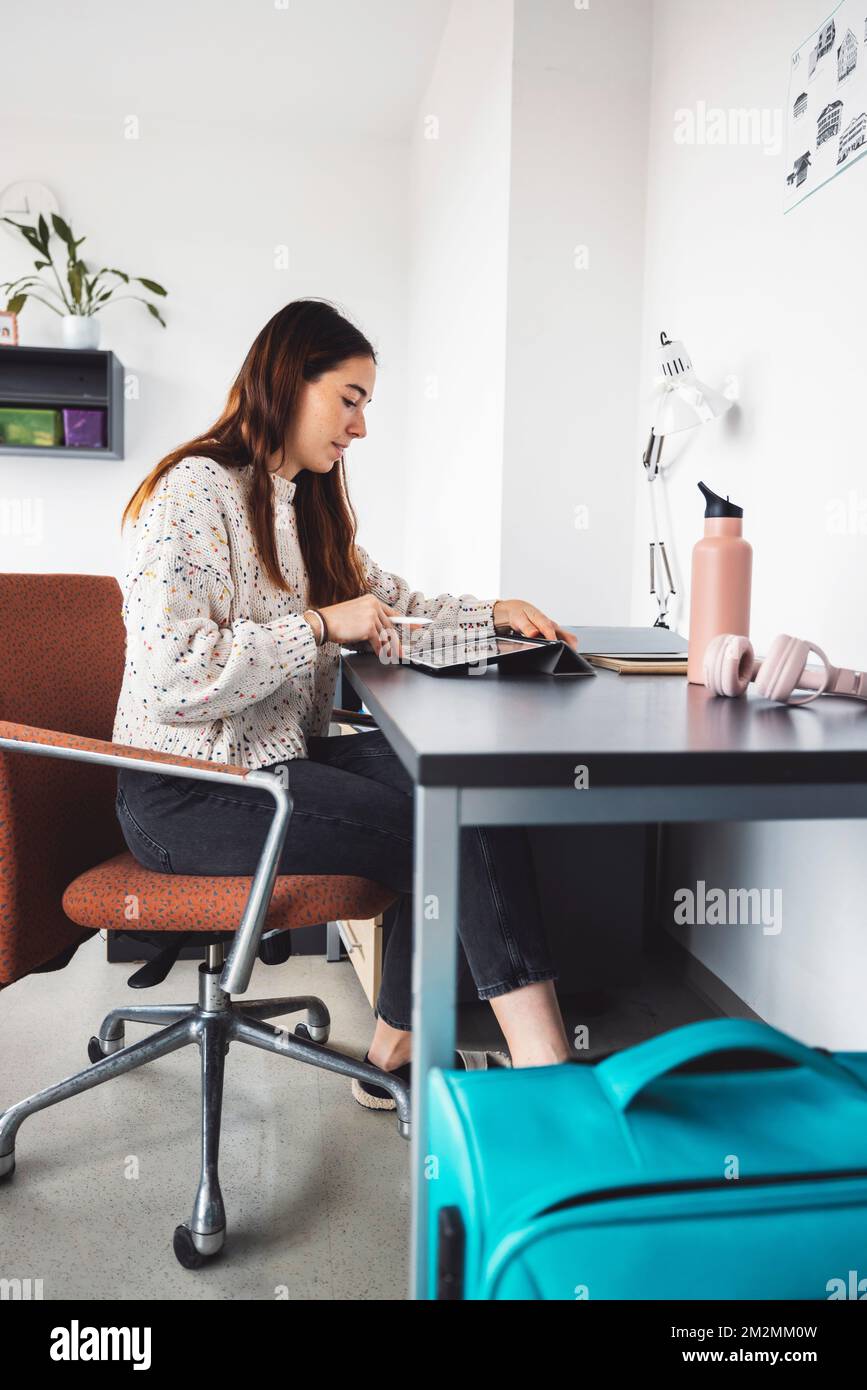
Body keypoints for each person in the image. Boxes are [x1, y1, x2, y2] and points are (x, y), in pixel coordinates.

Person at [113, 297, 578, 1110]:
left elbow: (390, 600)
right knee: (436, 826)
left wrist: (487, 612)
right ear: (289, 382)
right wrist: (320, 625)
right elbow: (172, 680)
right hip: (187, 786)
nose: (360, 427)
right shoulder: (194, 493)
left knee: (466, 793)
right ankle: (542, 1069)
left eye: (367, 405)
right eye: (350, 399)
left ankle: (396, 1052)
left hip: (274, 761)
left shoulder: (303, 504)